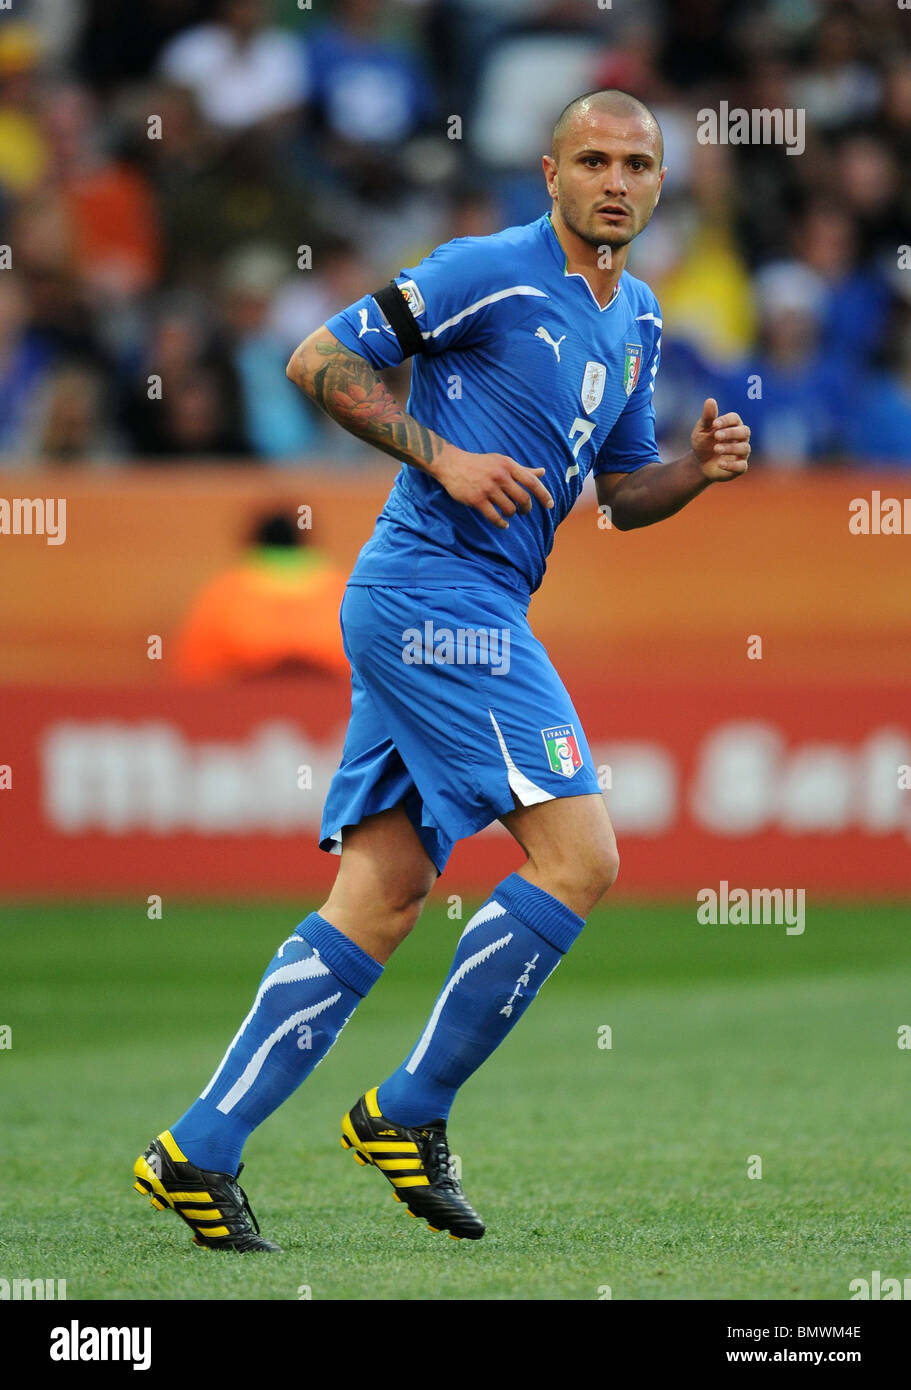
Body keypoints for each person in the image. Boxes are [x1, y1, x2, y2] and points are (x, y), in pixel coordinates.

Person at [133, 89, 750, 1252]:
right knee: (581, 856)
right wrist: (445, 456)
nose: (614, 180)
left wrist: (695, 474)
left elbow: (617, 497)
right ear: (548, 172)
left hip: (455, 607)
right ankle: (407, 1111)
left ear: (659, 183)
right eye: (591, 160)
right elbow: (319, 357)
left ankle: (196, 1148)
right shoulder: (487, 270)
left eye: (635, 163)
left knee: (383, 894)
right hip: (434, 598)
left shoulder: (640, 321)